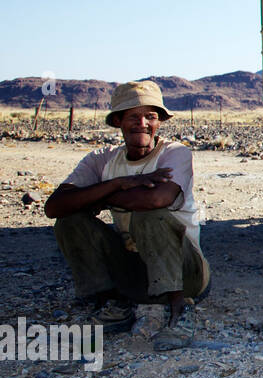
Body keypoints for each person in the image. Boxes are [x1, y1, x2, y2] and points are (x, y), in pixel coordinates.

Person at [44, 81, 210, 351]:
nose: (142, 123)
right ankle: (114, 304)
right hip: (134, 270)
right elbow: (55, 207)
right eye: (133, 116)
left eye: (151, 117)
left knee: (149, 213)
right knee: (70, 221)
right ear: (118, 121)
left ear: (159, 122)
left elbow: (157, 199)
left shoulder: (173, 153)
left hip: (184, 270)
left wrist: (98, 198)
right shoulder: (102, 160)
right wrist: (117, 184)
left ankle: (180, 308)